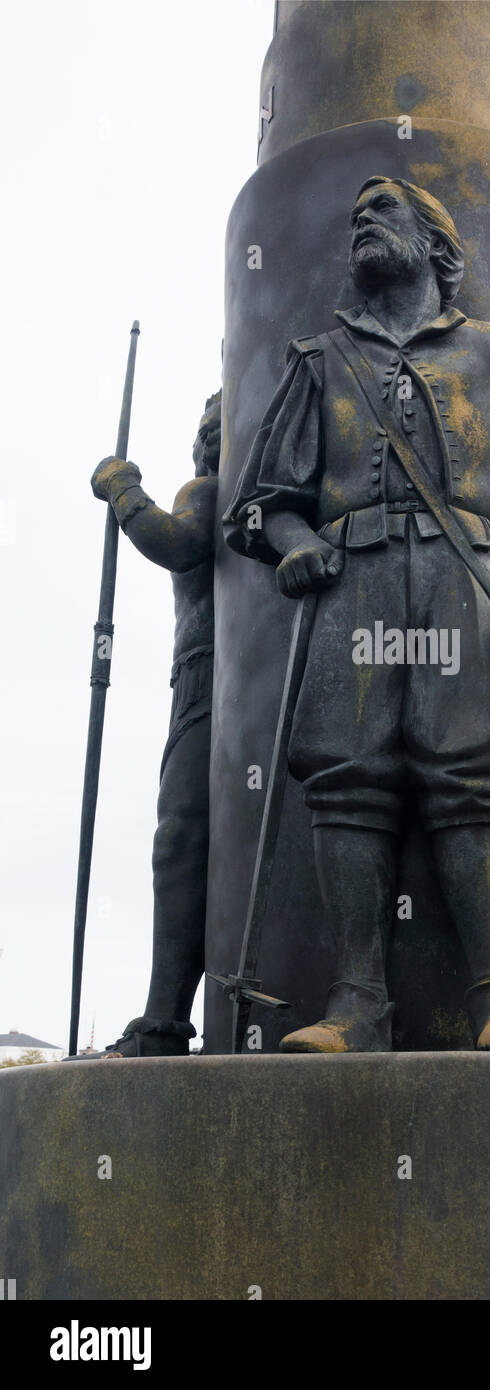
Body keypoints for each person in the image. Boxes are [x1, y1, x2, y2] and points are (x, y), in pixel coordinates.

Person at [224, 176, 490, 1053]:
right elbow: (265, 502)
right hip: (356, 583)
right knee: (349, 784)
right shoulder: (319, 360)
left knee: (473, 779)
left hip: (469, 583)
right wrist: (294, 540)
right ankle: (358, 1006)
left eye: (381, 212)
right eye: (354, 215)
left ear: (436, 244)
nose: (361, 224)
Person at [84, 391, 221, 1057]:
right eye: (206, 430)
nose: (208, 440)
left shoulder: (210, 492)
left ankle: (165, 1019)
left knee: (182, 841)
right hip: (206, 676)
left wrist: (123, 489)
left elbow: (177, 542)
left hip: (214, 682)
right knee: (183, 841)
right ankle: (166, 1015)